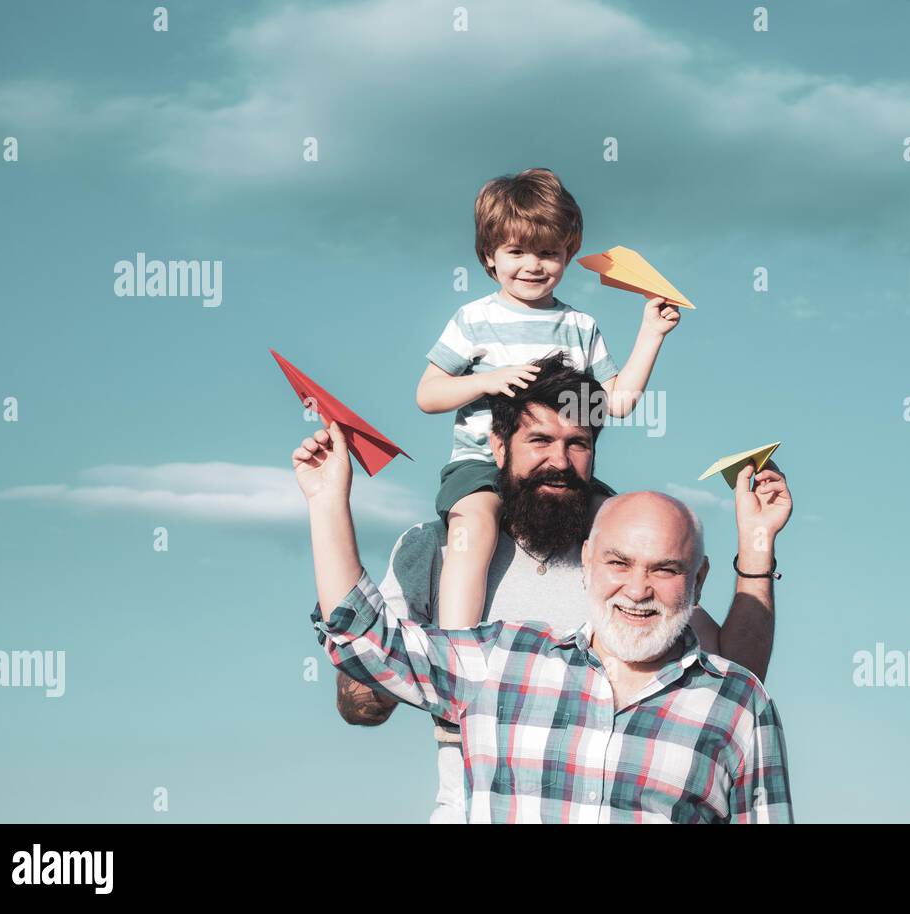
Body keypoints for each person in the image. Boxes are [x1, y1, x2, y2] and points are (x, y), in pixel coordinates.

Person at [296, 354, 792, 821]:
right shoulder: (444, 560)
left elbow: (727, 692)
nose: (559, 460)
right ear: (497, 446)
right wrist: (439, 682)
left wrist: (756, 546)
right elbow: (364, 684)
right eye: (539, 441)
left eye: (577, 444)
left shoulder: (625, 570)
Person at [307, 484, 794, 823]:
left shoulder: (739, 702)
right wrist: (326, 499)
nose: (637, 589)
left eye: (664, 569)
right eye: (618, 562)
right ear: (587, 561)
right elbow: (364, 641)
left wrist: (757, 543)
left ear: (698, 580)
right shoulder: (503, 660)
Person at [416, 167, 682, 634]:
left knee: (620, 524)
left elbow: (616, 403)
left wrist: (652, 334)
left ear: (568, 254)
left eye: (548, 253)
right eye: (516, 251)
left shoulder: (580, 326)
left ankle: (621, 642)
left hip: (559, 467)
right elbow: (429, 394)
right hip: (480, 461)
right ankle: (455, 643)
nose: (533, 265)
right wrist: (489, 381)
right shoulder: (474, 319)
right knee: (473, 528)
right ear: (489, 257)